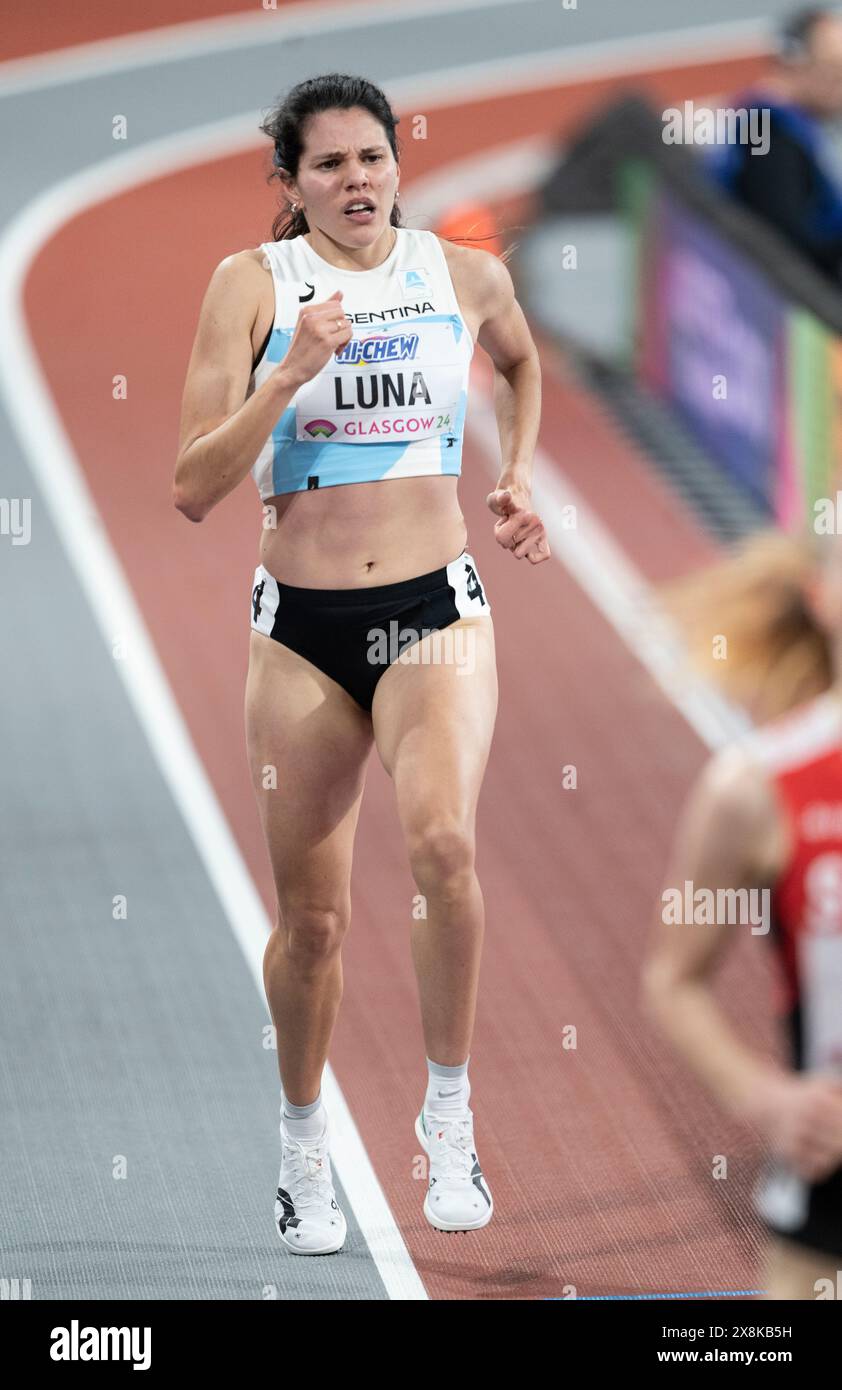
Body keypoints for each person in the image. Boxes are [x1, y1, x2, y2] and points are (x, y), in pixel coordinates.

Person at [172, 73, 548, 1254]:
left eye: (371, 158)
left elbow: (519, 363)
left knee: (443, 844)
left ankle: (449, 1114)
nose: (355, 181)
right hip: (302, 632)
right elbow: (191, 485)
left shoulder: (459, 274)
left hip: (435, 611)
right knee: (315, 921)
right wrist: (287, 373)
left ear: (397, 164)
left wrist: (514, 475)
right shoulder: (251, 285)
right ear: (289, 183)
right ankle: (301, 1144)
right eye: (328, 164)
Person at [642, 528, 842, 1299]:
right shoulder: (756, 790)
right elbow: (673, 980)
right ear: (822, 598)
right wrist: (768, 1100)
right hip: (828, 1194)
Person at [706, 7, 842, 282]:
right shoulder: (770, 137)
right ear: (796, 66)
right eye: (834, 70)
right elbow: (788, 245)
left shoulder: (765, 119)